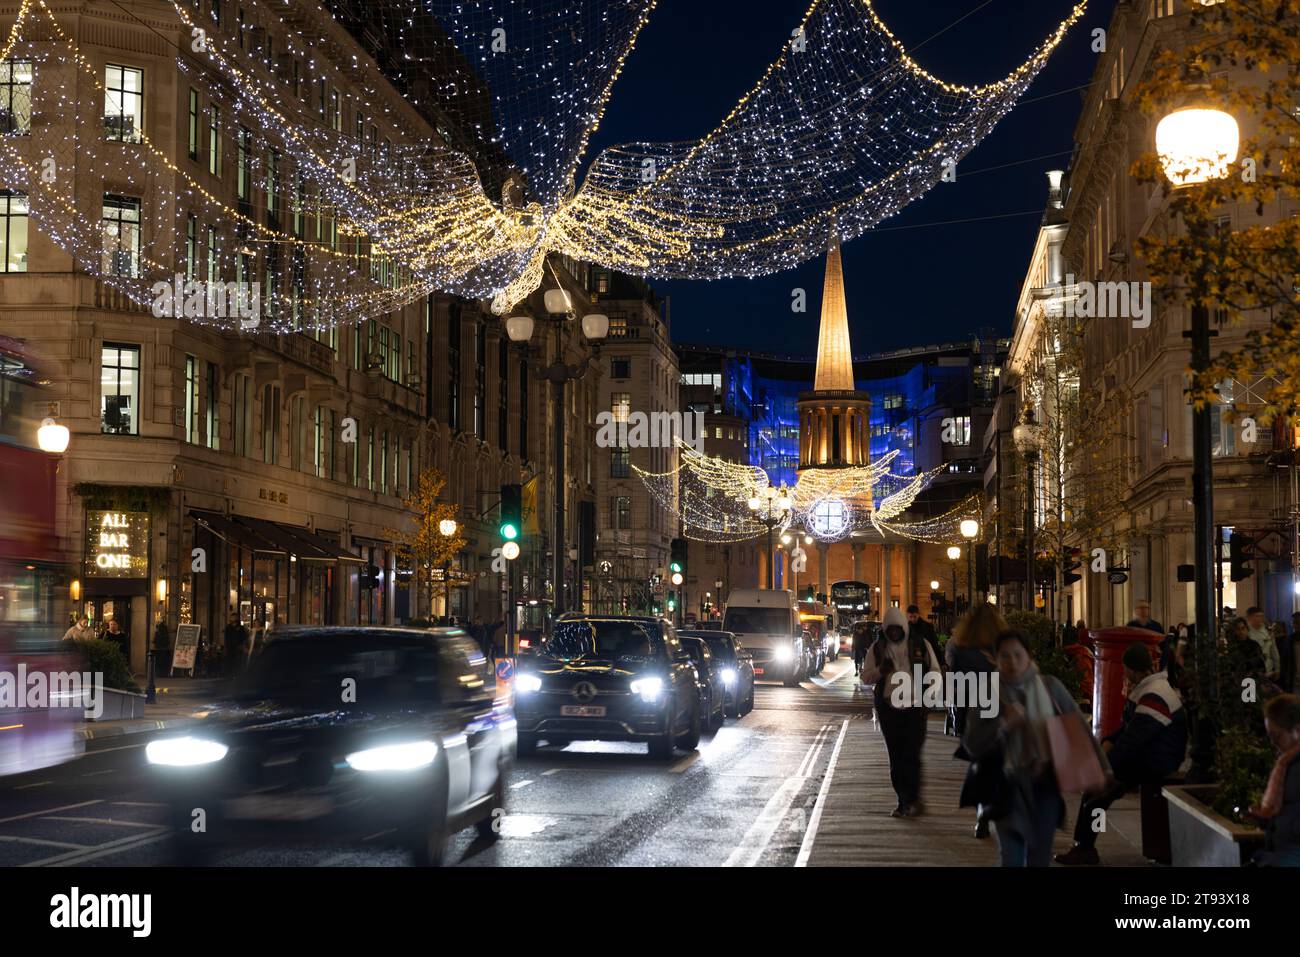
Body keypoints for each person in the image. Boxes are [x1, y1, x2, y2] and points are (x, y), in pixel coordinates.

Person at [965, 630, 1109, 867]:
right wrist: (1003, 725)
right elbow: (972, 742)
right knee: (1010, 858)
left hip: (1045, 785)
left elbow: (1080, 728)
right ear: (995, 659)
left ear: (1029, 656)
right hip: (1005, 786)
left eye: (1017, 655)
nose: (1012, 662)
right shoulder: (987, 693)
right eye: (1005, 656)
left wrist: (1103, 768)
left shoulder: (1051, 687)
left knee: (1039, 858)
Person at [1056, 642, 1187, 865]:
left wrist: (1107, 768)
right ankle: (1085, 845)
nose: (1124, 673)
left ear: (1133, 669)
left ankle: (1086, 847)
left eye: (1125, 668)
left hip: (1158, 760)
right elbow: (1129, 730)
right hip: (1153, 754)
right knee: (1097, 790)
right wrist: (1108, 742)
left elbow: (1132, 741)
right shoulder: (1150, 689)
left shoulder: (1154, 695)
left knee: (1097, 793)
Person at [862, 606, 941, 817]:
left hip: (915, 707)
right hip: (889, 709)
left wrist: (929, 698)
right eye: (891, 631)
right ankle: (903, 800)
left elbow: (934, 672)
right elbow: (866, 677)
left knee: (912, 754)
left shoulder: (920, 645)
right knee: (896, 757)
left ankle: (912, 798)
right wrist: (881, 671)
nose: (895, 635)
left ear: (905, 628)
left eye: (898, 630)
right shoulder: (877, 649)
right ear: (886, 630)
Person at [948, 604, 1005, 838]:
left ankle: (983, 811)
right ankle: (992, 807)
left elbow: (959, 689)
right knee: (1001, 764)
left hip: (975, 715)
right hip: (1003, 713)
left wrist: (958, 721)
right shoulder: (1005, 648)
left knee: (980, 764)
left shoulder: (962, 652)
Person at [1249, 694, 1300, 866]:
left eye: (1276, 736)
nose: (1272, 742)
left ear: (1297, 731)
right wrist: (1266, 818)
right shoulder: (1287, 762)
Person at [1246, 607, 1282, 683]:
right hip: (1252, 673)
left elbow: (1274, 651)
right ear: (1249, 618)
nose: (1260, 619)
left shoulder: (1267, 631)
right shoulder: (1246, 632)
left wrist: (1277, 669)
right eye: (1257, 616)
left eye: (1261, 616)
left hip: (1268, 671)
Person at [906, 605, 943, 675]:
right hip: (913, 660)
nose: (913, 619)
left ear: (918, 615)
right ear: (907, 616)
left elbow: (935, 645)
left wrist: (941, 662)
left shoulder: (928, 627)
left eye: (914, 616)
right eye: (911, 617)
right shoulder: (906, 628)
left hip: (926, 659)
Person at [1282, 612, 1300, 694]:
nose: (1295, 625)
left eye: (1297, 622)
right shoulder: (1289, 641)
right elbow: (1285, 662)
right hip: (1294, 682)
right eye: (1294, 622)